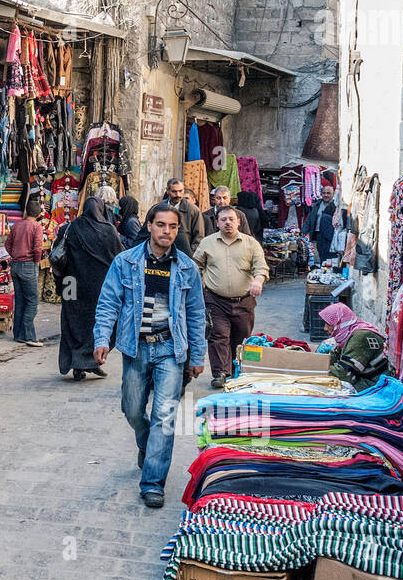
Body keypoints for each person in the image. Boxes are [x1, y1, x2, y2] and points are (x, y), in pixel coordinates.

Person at [93, 206, 206, 508]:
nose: (166, 231)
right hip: (136, 348)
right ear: (149, 226)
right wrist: (102, 339)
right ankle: (146, 444)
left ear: (177, 230)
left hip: (171, 350)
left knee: (165, 417)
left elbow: (196, 314)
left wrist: (197, 354)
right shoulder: (126, 262)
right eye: (160, 225)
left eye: (172, 226)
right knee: (131, 409)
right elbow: (108, 303)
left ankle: (153, 482)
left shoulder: (186, 268)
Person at [193, 206, 270, 389]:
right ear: (217, 223)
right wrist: (200, 287)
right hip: (215, 299)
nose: (227, 222)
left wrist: (258, 281)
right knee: (218, 336)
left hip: (244, 300)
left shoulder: (251, 243)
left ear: (238, 222)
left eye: (231, 219)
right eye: (223, 219)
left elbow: (261, 267)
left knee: (242, 338)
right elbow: (196, 266)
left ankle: (239, 372)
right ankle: (220, 373)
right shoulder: (207, 243)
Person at [56, 193, 123, 381]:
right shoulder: (109, 231)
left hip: (71, 285)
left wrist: (58, 284)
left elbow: (58, 257)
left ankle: (78, 362)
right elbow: (118, 258)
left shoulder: (69, 228)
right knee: (97, 322)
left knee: (72, 322)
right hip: (98, 286)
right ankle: (90, 361)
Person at [319, 303, 388, 390]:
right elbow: (334, 359)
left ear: (340, 322)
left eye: (328, 324)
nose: (325, 328)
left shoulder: (360, 336)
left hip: (375, 384)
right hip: (365, 378)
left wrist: (316, 370)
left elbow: (345, 375)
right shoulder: (347, 334)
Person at [7, 198, 45, 346]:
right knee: (32, 301)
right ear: (38, 214)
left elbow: (7, 244)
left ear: (26, 211)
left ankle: (19, 334)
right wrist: (36, 261)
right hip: (28, 265)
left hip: (15, 265)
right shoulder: (36, 227)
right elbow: (37, 249)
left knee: (21, 300)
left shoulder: (17, 225)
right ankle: (29, 336)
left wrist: (14, 255)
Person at [144, 178, 204, 253]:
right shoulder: (156, 209)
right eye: (174, 191)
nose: (178, 195)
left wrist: (190, 255)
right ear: (167, 191)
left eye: (180, 191)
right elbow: (145, 233)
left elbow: (199, 237)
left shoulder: (193, 210)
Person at [303, 184, 350, 264]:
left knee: (331, 255)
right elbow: (309, 219)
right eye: (324, 193)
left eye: (328, 193)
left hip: (330, 235)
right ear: (321, 194)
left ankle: (330, 271)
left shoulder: (336, 206)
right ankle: (323, 268)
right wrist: (304, 231)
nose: (326, 195)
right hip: (319, 234)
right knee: (322, 254)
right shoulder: (317, 205)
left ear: (332, 194)